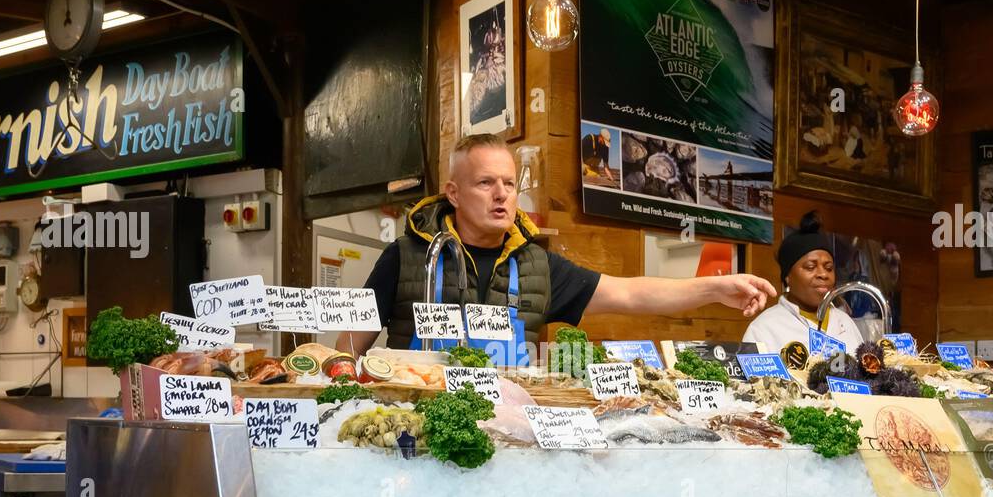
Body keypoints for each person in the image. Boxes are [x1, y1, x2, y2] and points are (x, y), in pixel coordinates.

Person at [342, 133, 777, 365]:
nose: (501, 195)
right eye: (485, 183)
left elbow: (629, 293)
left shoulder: (538, 265)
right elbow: (349, 349)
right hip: (413, 438)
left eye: (509, 184)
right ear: (453, 194)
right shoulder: (404, 256)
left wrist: (714, 289)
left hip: (507, 437)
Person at [741, 211, 864, 354]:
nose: (823, 274)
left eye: (829, 268)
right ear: (788, 276)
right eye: (810, 267)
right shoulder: (763, 329)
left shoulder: (846, 322)